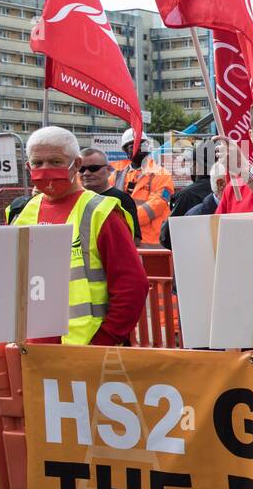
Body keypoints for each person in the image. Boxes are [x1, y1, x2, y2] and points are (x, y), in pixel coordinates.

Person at [15, 127, 149, 346]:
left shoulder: (101, 213)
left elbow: (132, 287)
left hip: (88, 353)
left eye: (55, 162)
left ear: (76, 164)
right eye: (38, 163)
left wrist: (102, 343)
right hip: (32, 352)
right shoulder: (26, 213)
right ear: (29, 167)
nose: (45, 170)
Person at [112, 127, 175, 247]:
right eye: (133, 146)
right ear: (126, 151)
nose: (139, 149)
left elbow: (157, 205)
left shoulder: (162, 174)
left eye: (141, 145)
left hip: (151, 242)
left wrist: (125, 220)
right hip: (123, 239)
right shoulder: (116, 175)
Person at [78, 147, 138, 237]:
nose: (86, 173)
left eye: (93, 168)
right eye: (81, 169)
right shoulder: (73, 199)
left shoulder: (123, 200)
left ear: (109, 170)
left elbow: (134, 238)